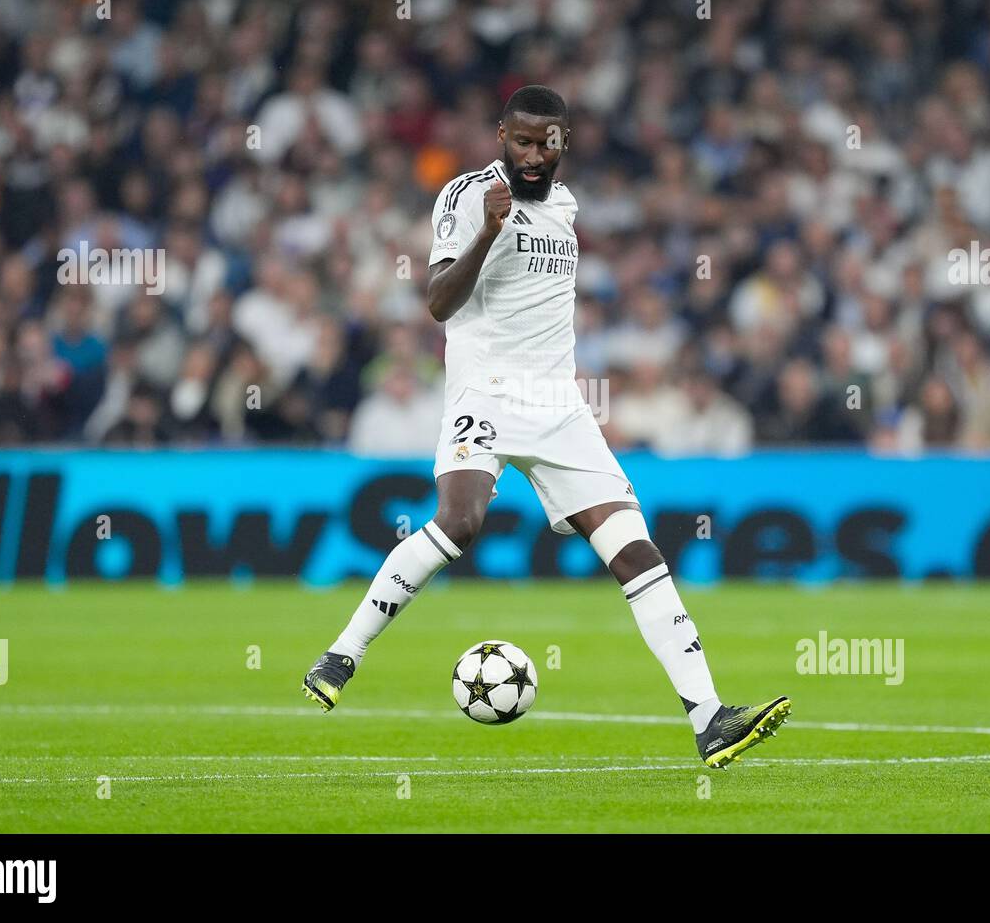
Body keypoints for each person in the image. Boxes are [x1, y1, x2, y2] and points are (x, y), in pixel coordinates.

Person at [302, 86, 789, 768]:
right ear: (501, 135)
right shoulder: (469, 195)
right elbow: (439, 302)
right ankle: (341, 656)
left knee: (636, 551)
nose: (534, 155)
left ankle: (710, 720)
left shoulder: (565, 206)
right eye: (523, 141)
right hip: (488, 392)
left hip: (560, 406)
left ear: (565, 142)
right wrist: (488, 234)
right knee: (461, 523)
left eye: (547, 142)